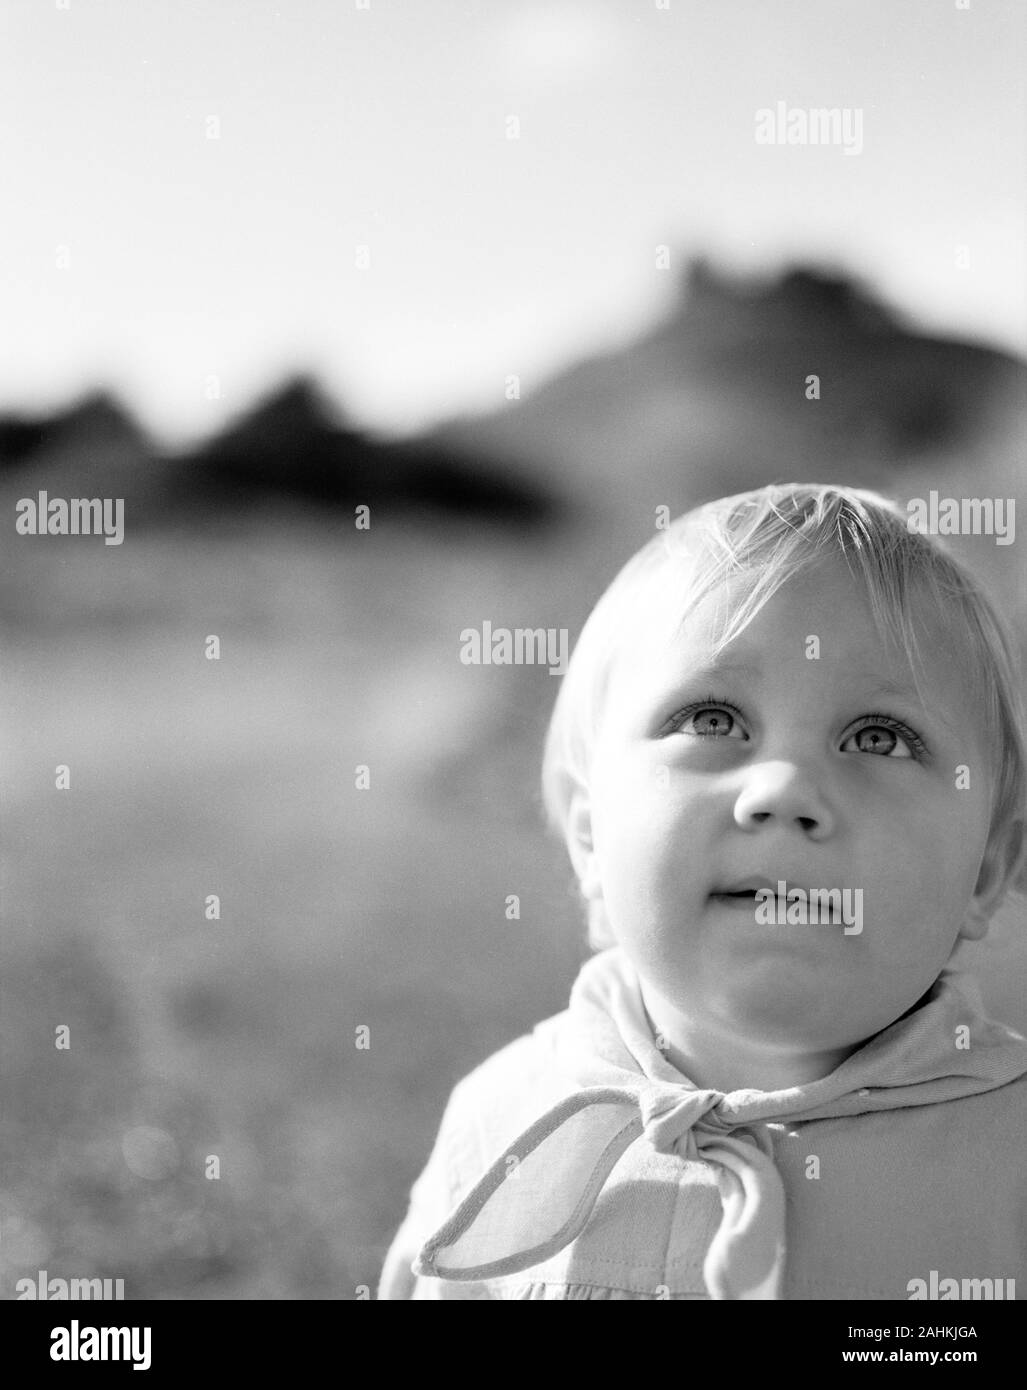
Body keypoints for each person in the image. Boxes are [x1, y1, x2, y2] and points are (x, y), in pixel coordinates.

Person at [378, 483, 1027, 1300]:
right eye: (713, 719)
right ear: (587, 834)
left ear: (986, 869)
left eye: (878, 737)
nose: (783, 789)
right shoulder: (502, 1123)